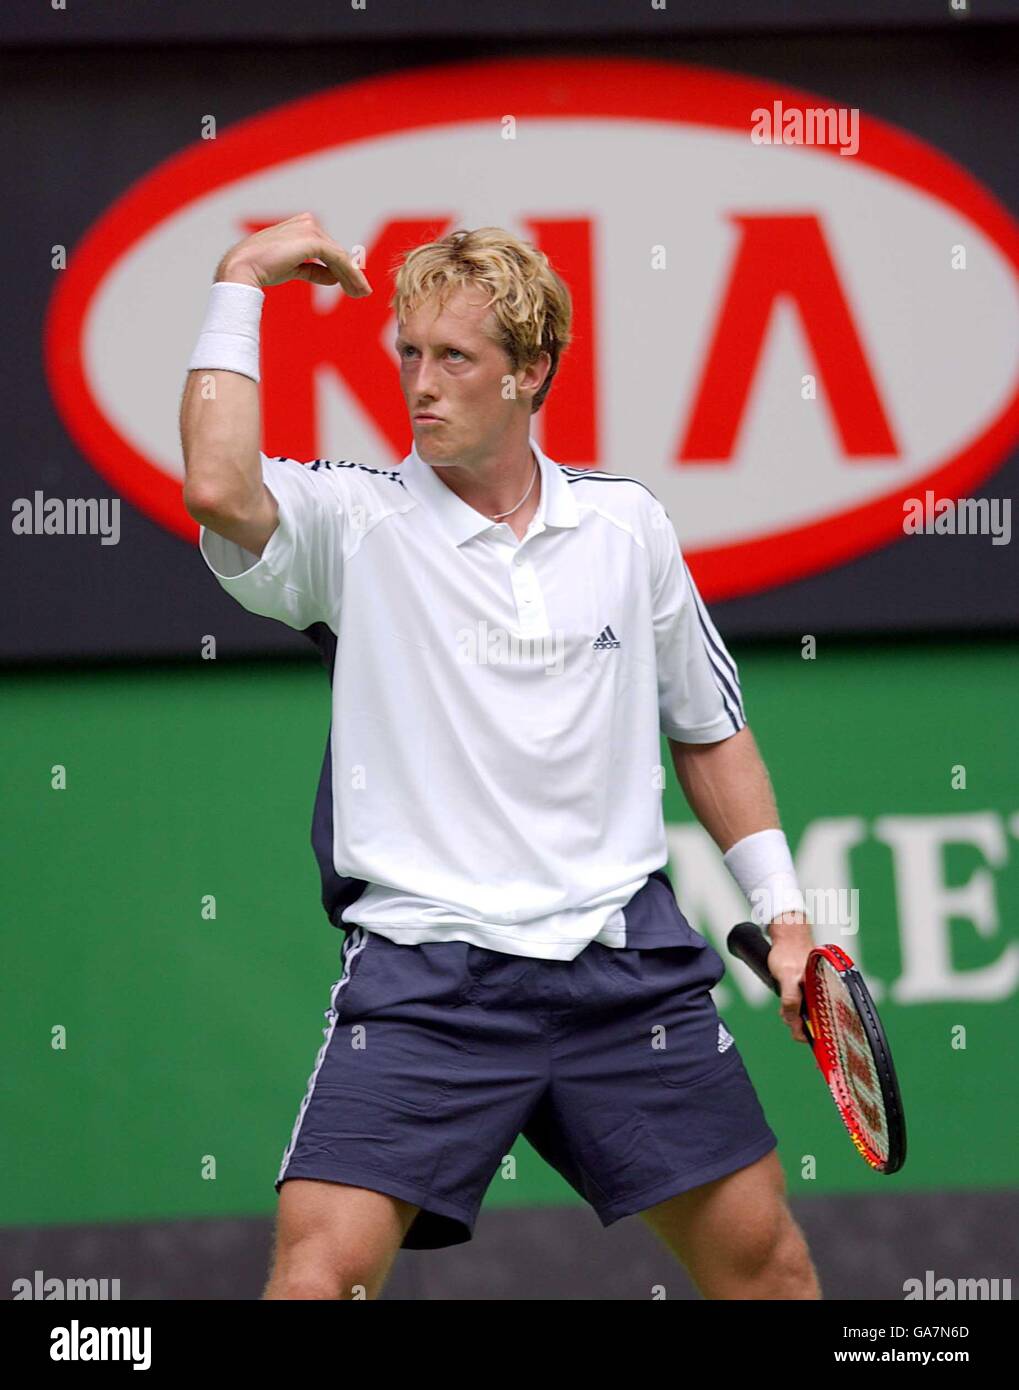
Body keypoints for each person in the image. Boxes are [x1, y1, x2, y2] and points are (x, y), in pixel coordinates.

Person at [180, 215, 821, 1300]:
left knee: (767, 1270)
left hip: (623, 972)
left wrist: (786, 911)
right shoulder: (354, 521)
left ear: (530, 373)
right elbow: (218, 488)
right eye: (408, 355)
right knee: (316, 1276)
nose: (419, 385)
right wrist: (239, 281)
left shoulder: (627, 528)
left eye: (454, 358)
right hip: (428, 975)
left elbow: (704, 726)